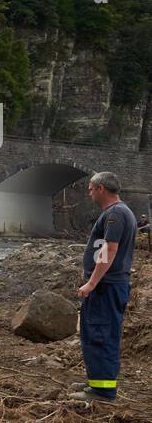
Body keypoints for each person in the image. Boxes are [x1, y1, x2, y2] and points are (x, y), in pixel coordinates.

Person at [69, 172, 137, 404]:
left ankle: (103, 391)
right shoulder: (119, 212)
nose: (88, 193)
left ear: (100, 188)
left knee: (101, 335)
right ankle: (96, 381)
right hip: (108, 286)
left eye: (90, 189)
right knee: (96, 333)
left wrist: (91, 283)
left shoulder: (115, 213)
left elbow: (110, 250)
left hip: (106, 287)